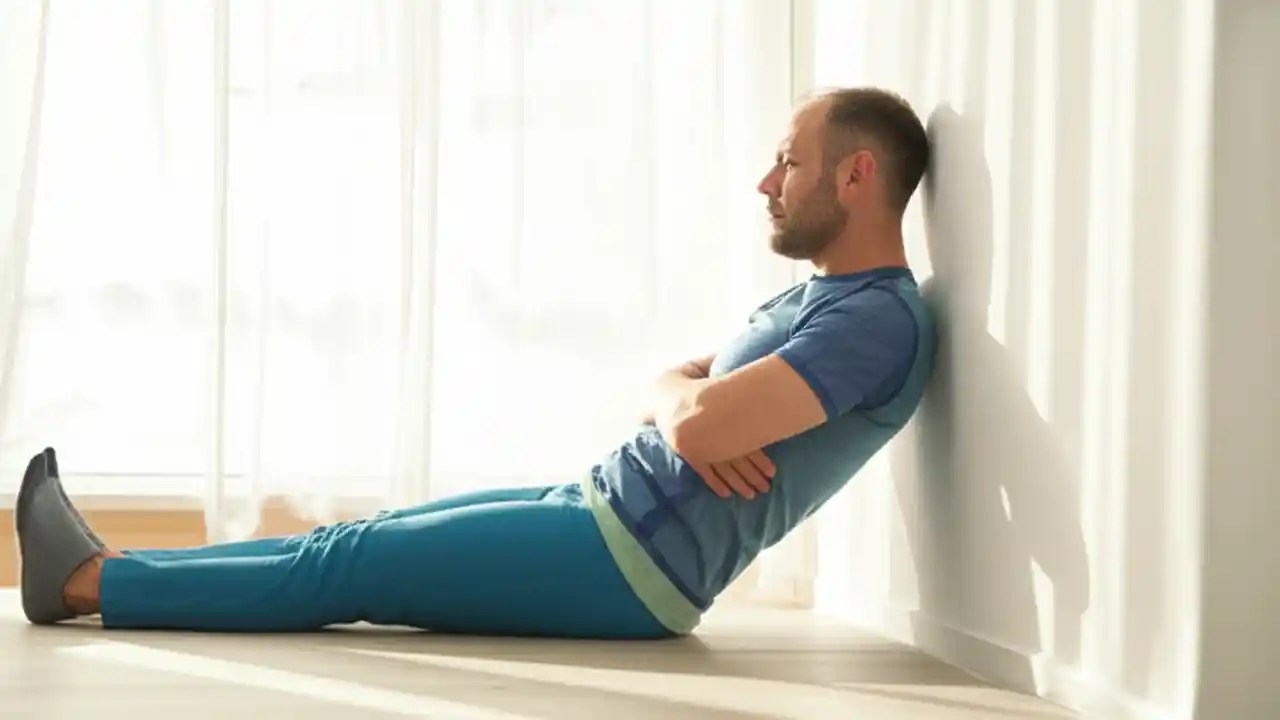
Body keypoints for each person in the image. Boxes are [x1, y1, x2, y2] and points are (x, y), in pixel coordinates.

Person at [13, 86, 935, 638]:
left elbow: (696, 418)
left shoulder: (877, 321)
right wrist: (680, 401)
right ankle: (113, 569)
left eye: (789, 162)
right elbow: (680, 397)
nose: (766, 183)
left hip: (633, 566)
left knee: (356, 566)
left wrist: (689, 408)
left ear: (857, 176)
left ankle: (89, 586)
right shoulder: (818, 301)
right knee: (353, 539)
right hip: (599, 507)